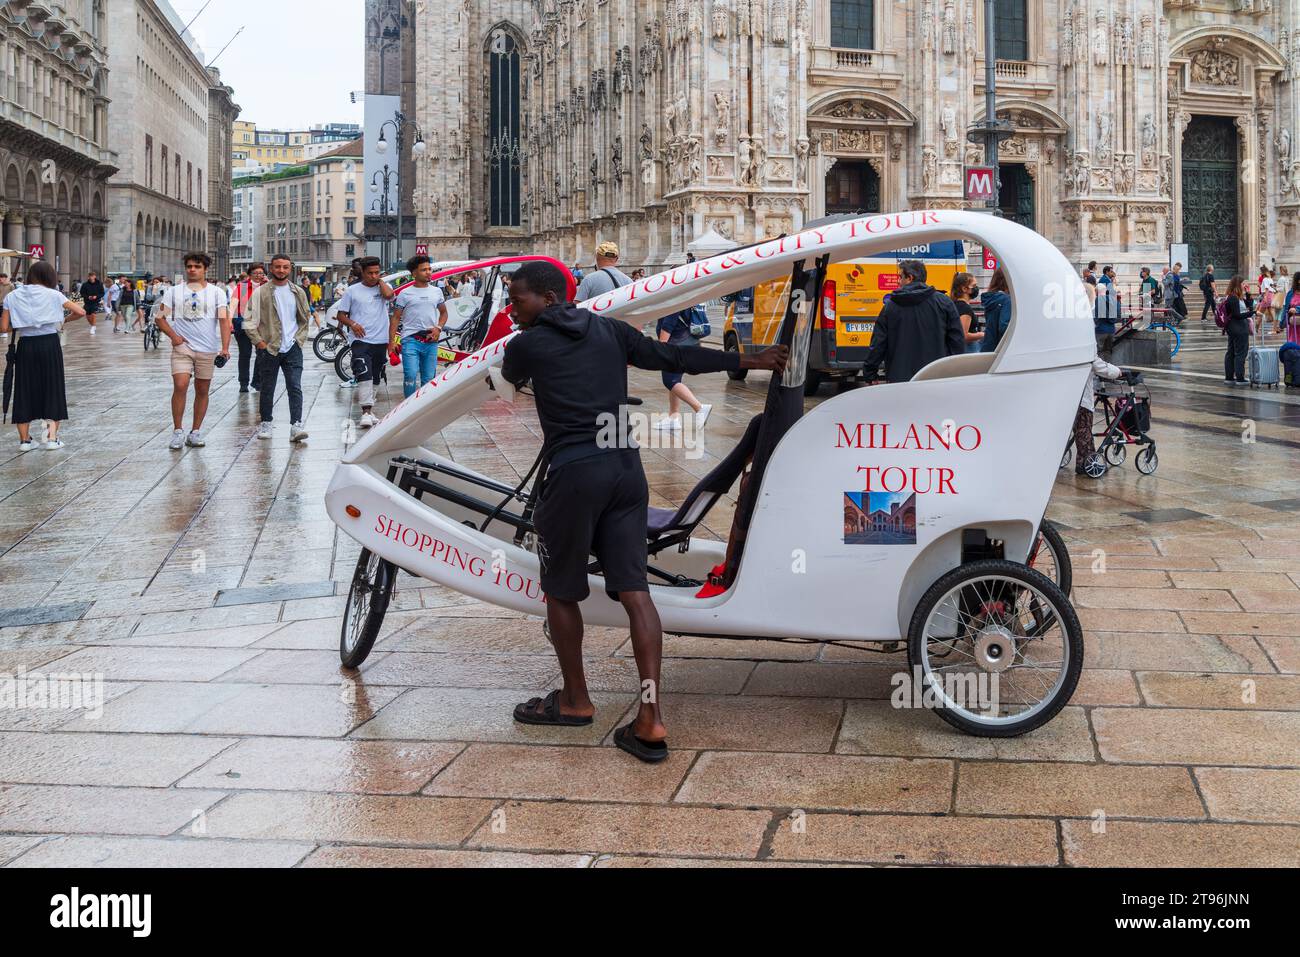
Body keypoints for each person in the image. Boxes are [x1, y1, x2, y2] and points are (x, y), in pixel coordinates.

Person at [499, 261, 788, 761]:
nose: (510, 306)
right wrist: (753, 359)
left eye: (516, 298)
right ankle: (650, 717)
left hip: (574, 476)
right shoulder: (610, 330)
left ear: (548, 299)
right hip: (625, 473)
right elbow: (674, 356)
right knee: (636, 592)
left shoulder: (524, 344)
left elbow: (507, 381)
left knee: (561, 592)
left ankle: (574, 701)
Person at [0, 260, 85, 451]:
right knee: (53, 387)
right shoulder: (54, 294)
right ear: (49, 277)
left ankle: (25, 441)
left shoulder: (12, 296)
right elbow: (80, 311)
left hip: (26, 345)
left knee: (24, 388)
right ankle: (52, 439)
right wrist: (63, 320)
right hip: (49, 343)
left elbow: (3, 327)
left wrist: (23, 322)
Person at [154, 252, 231, 449]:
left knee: (202, 390)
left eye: (197, 266)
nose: (192, 270)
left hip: (207, 349)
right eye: (189, 266)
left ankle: (195, 431)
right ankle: (177, 431)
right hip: (183, 348)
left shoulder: (216, 293)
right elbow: (160, 318)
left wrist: (225, 348)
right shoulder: (174, 292)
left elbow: (223, 321)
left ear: (205, 269)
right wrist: (174, 337)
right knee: (180, 385)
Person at [863, 259, 965, 381]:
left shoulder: (890, 307)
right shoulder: (944, 303)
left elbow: (878, 344)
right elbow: (957, 341)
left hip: (899, 378)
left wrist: (870, 374)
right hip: (935, 376)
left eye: (900, 277)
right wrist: (954, 372)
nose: (898, 282)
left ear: (910, 278)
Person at [245, 255, 310, 443]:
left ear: (290, 269)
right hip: (269, 347)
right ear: (271, 268)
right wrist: (259, 342)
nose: (281, 270)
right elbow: (248, 320)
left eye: (285, 267)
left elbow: (304, 319)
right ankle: (266, 423)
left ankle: (296, 425)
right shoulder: (260, 293)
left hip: (292, 347)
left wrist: (299, 340)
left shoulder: (298, 292)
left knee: (295, 386)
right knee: (267, 387)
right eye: (277, 267)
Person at [333, 256, 395, 428]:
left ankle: (370, 408)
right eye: (370, 273)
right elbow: (341, 315)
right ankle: (365, 411)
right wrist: (353, 324)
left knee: (376, 375)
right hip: (360, 339)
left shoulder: (384, 288)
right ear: (362, 272)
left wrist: (380, 281)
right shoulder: (352, 291)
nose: (373, 276)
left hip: (380, 339)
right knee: (363, 371)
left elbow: (390, 296)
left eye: (377, 273)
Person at [392, 254, 449, 397]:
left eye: (429, 269)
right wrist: (391, 342)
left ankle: (423, 409)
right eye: (424, 270)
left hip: (431, 341)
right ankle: (408, 409)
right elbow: (395, 318)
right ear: (414, 273)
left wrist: (438, 328)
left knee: (428, 379)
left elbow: (444, 313)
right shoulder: (404, 293)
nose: (429, 272)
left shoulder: (437, 291)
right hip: (410, 340)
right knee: (410, 376)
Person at [653, 307, 711, 431]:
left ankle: (699, 408)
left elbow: (669, 321)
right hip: (684, 341)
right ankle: (673, 417)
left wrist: (661, 346)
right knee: (675, 379)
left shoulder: (672, 297)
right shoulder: (681, 294)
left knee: (670, 381)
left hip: (676, 343)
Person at [230, 263, 268, 393]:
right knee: (245, 354)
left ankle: (257, 381)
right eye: (255, 273)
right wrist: (229, 320)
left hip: (262, 326)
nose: (258, 276)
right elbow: (233, 303)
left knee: (262, 354)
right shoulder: (243, 286)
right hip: (244, 324)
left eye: (261, 273)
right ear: (250, 274)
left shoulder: (268, 286)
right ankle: (243, 383)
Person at [1221, 275, 1254, 385]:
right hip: (1239, 327)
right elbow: (1237, 315)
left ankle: (1229, 377)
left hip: (1232, 328)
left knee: (1231, 352)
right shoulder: (1233, 298)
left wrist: (1248, 293)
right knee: (1240, 352)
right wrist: (1252, 314)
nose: (1244, 285)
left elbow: (1249, 305)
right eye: (1243, 283)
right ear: (1238, 284)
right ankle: (1240, 377)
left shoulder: (1235, 297)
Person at [977, 267, 1013, 354]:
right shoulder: (1006, 299)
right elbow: (1004, 326)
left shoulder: (992, 298)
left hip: (988, 346)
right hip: (1000, 350)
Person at [949, 272, 985, 354]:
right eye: (974, 286)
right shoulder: (965, 308)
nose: (976, 288)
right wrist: (982, 334)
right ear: (964, 289)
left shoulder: (954, 304)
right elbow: (963, 335)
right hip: (969, 349)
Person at [80, 271, 105, 335]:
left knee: (93, 313)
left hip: (96, 301)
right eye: (90, 276)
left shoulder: (99, 284)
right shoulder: (85, 284)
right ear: (88, 277)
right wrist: (88, 297)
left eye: (92, 276)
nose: (91, 277)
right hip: (87, 301)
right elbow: (82, 293)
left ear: (95, 276)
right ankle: (93, 326)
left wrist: (96, 296)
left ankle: (93, 327)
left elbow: (102, 293)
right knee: (88, 315)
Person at [1259, 267, 1277, 335]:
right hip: (1271, 295)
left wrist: (1265, 297)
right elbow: (1272, 288)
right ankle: (1275, 327)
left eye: (1261, 272)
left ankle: (1256, 328)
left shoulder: (1265, 279)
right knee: (1271, 312)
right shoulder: (1270, 279)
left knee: (1259, 312)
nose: (1260, 273)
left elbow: (1266, 288)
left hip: (1267, 295)